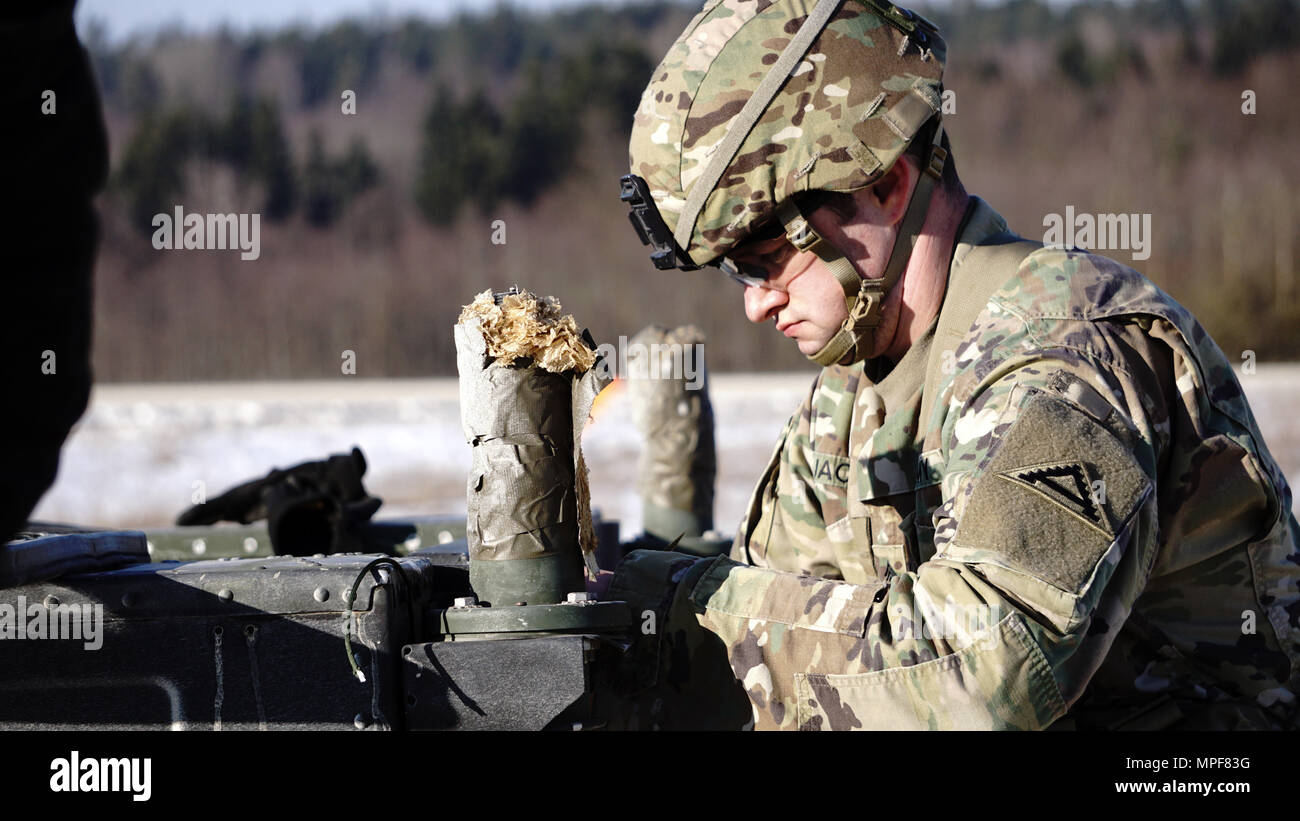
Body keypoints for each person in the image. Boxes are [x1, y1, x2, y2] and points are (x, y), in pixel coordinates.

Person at [608, 0, 1299, 730]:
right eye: (738, 274)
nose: (756, 304)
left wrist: (690, 600)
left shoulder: (1066, 350)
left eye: (767, 259)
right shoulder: (847, 399)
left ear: (884, 186)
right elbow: (778, 648)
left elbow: (990, 669)